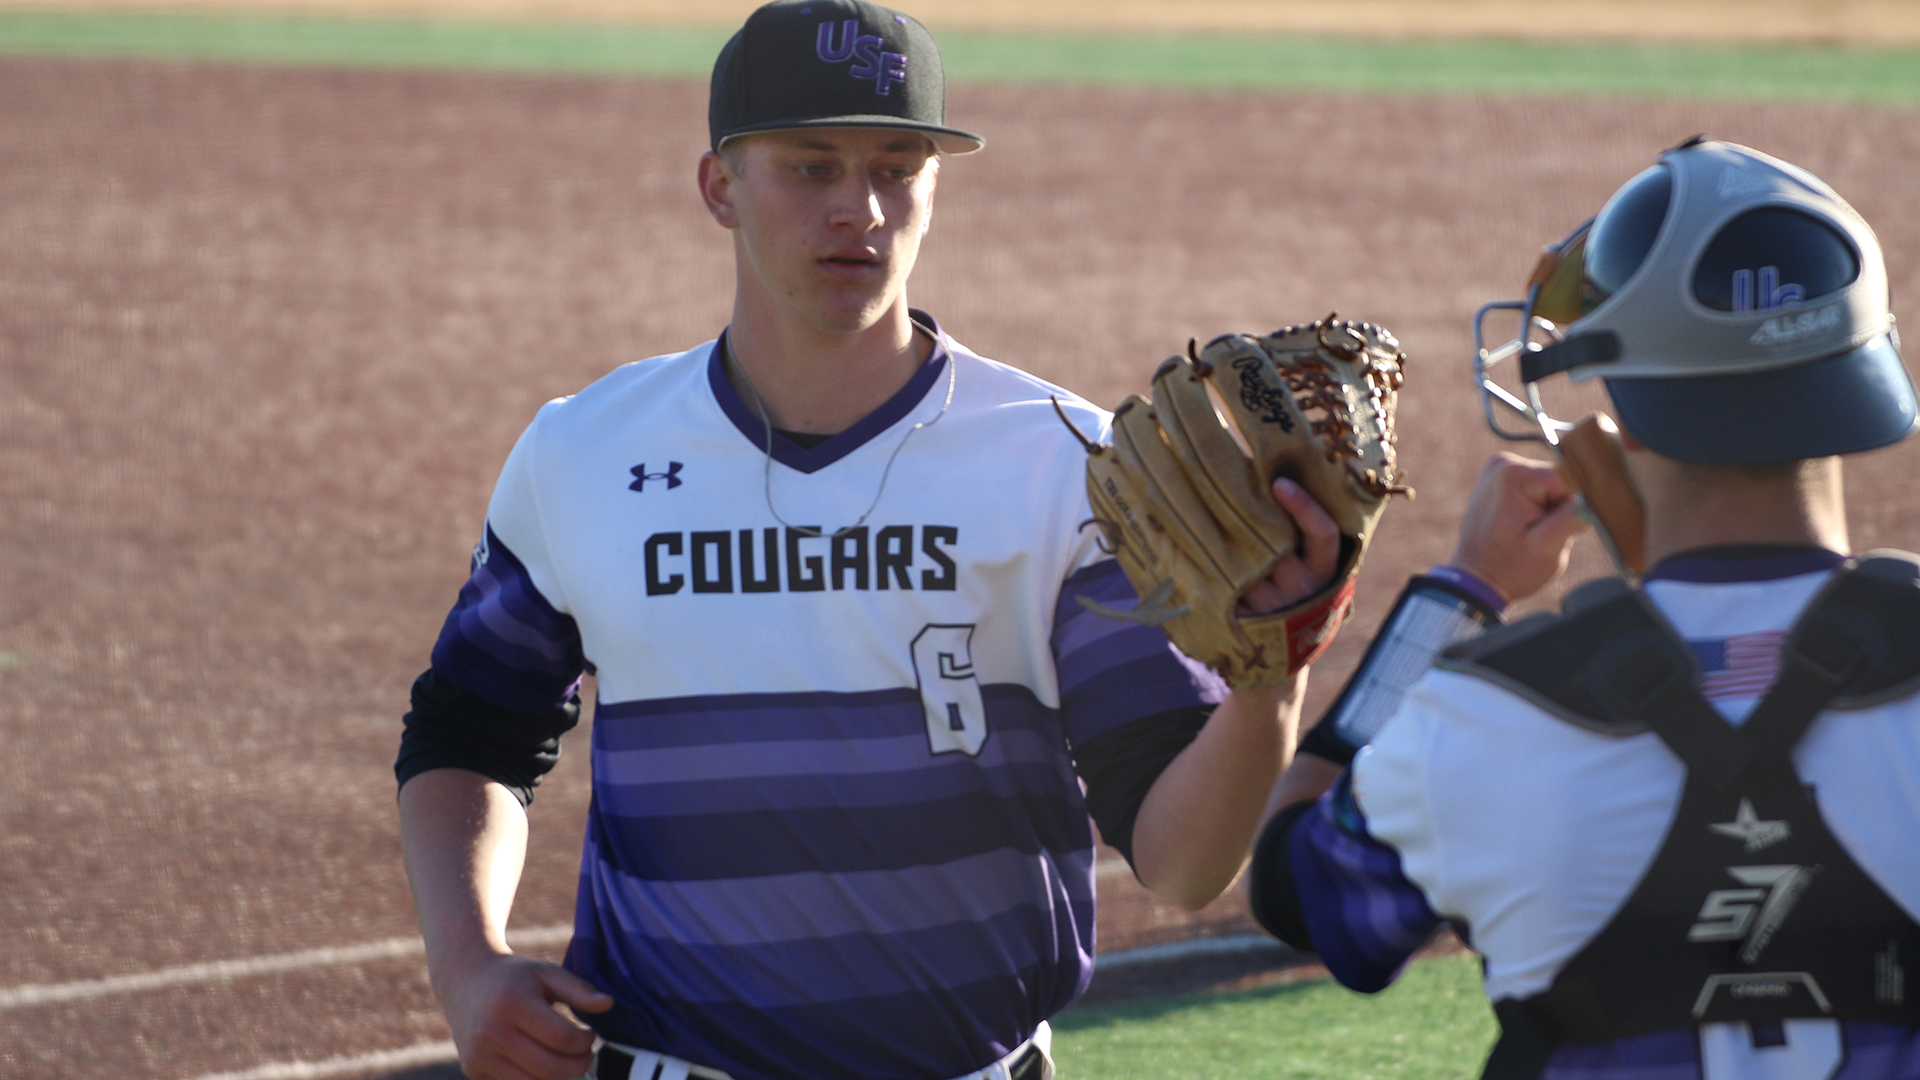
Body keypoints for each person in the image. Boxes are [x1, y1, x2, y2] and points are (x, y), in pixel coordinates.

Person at [394, 3, 1342, 1079]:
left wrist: (1272, 677)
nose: (861, 210)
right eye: (810, 167)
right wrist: (467, 962)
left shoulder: (1072, 465)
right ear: (719, 186)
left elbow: (1180, 862)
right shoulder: (585, 454)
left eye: (899, 169)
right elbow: (470, 732)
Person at [1246, 138, 1920, 1079]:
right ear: (1866, 363)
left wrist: (1460, 594)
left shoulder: (1482, 714)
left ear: (1629, 418)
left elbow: (1295, 888)